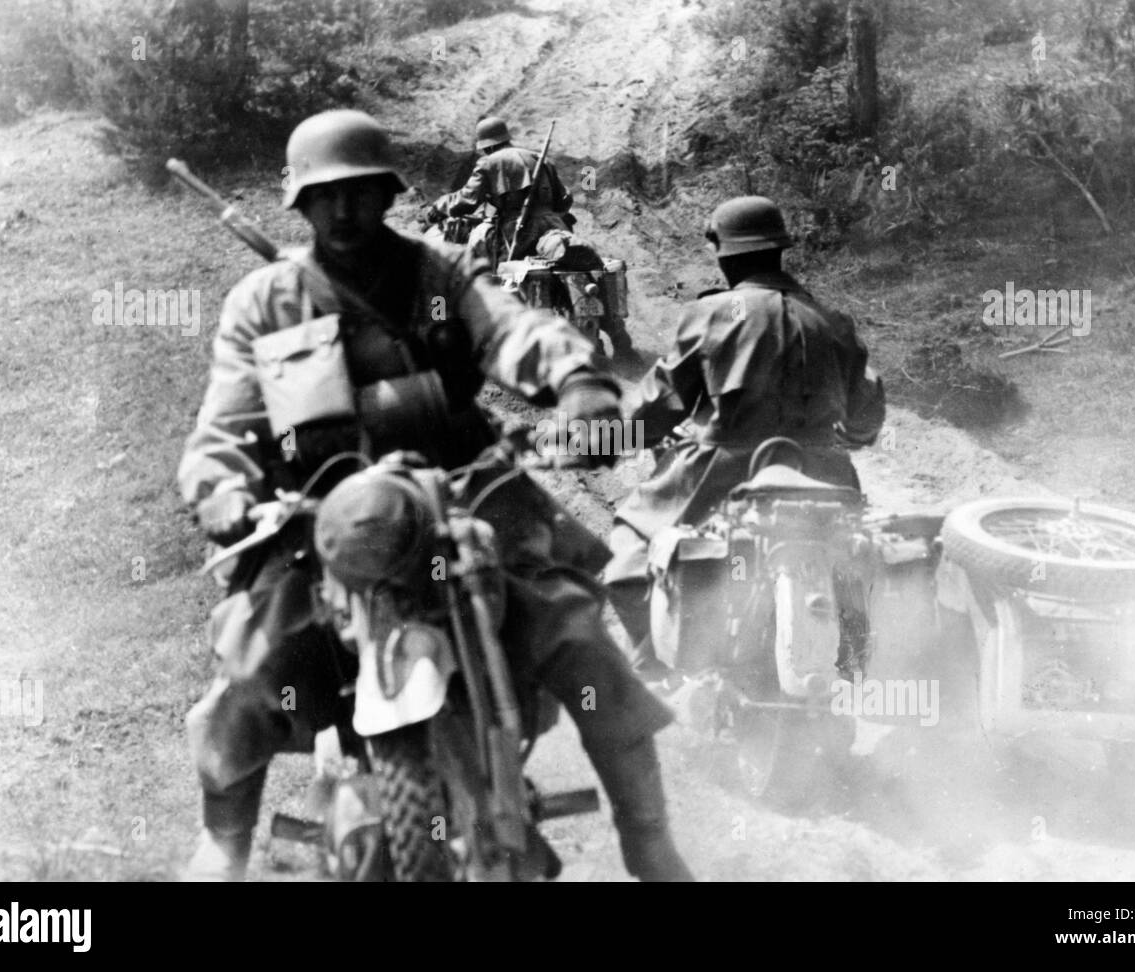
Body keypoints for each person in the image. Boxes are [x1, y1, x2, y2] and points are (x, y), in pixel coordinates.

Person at [178, 109, 691, 882]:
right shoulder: (265, 302)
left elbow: (514, 328)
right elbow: (223, 425)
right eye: (325, 196)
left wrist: (577, 381)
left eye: (359, 192)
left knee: (578, 636)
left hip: (467, 500)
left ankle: (647, 840)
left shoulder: (442, 271)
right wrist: (222, 490)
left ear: (387, 191)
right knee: (251, 668)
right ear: (299, 204)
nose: (344, 211)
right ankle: (224, 843)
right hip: (322, 525)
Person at [601, 196, 886, 678]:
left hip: (718, 474)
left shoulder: (712, 314)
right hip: (825, 477)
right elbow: (866, 416)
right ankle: (853, 666)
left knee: (626, 562)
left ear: (726, 257)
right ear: (779, 251)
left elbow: (660, 405)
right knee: (858, 565)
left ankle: (659, 666)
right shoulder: (833, 322)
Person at [427, 116, 637, 358]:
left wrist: (440, 207)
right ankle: (620, 342)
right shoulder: (541, 159)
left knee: (478, 252)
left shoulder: (488, 163)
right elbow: (563, 200)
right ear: (506, 138)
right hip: (555, 227)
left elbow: (466, 200)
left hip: (516, 232)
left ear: (486, 145)